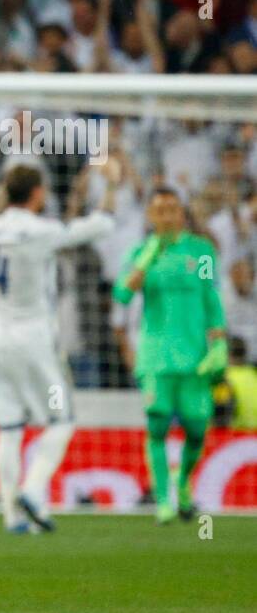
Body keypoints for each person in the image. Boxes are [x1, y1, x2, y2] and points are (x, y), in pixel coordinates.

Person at [0, 161, 120, 533]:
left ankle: (11, 516)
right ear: (38, 194)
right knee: (61, 418)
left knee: (8, 426)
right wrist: (112, 185)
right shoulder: (43, 231)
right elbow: (102, 224)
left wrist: (8, 185)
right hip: (35, 346)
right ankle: (35, 489)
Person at [113, 186, 228, 524]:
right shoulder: (140, 252)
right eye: (159, 210)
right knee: (158, 425)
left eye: (172, 209)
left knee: (196, 428)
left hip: (195, 357)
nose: (166, 216)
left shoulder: (201, 252)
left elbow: (211, 297)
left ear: (182, 213)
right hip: (156, 356)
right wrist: (145, 263)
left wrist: (219, 341)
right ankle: (163, 500)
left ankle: (184, 484)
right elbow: (121, 294)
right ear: (150, 216)